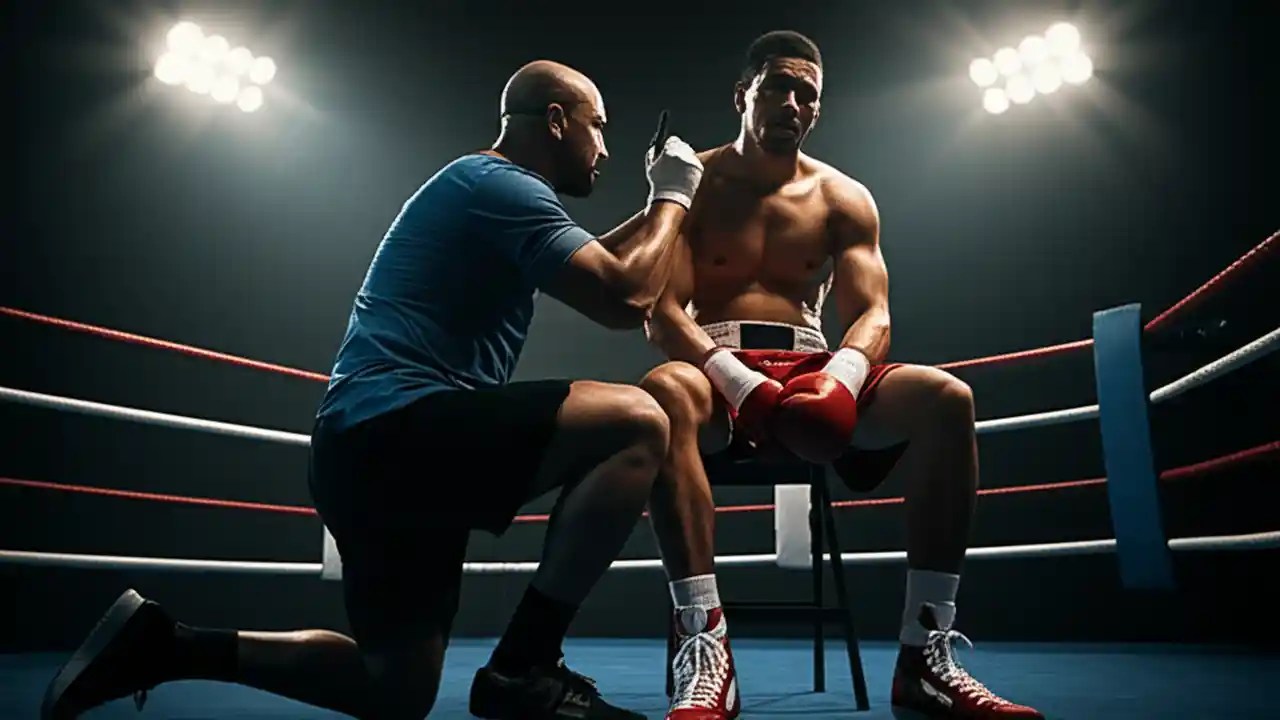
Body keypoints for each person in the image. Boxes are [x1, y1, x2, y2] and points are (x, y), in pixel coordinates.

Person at [41, 60, 703, 720]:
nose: (606, 148)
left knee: (395, 691)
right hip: (399, 427)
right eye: (598, 127)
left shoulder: (486, 192)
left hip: (363, 453)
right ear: (556, 121)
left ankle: (169, 647)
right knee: (638, 419)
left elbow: (608, 267)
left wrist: (659, 213)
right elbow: (624, 296)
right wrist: (671, 196)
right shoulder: (498, 185)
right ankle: (527, 663)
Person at [638, 32, 1045, 719]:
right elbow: (662, 313)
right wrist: (741, 385)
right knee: (661, 394)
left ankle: (926, 657)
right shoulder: (692, 186)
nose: (792, 103)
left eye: (807, 95)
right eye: (776, 87)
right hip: (715, 371)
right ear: (743, 95)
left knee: (947, 398)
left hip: (814, 367)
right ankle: (705, 646)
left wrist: (842, 381)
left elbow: (874, 313)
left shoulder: (843, 197)